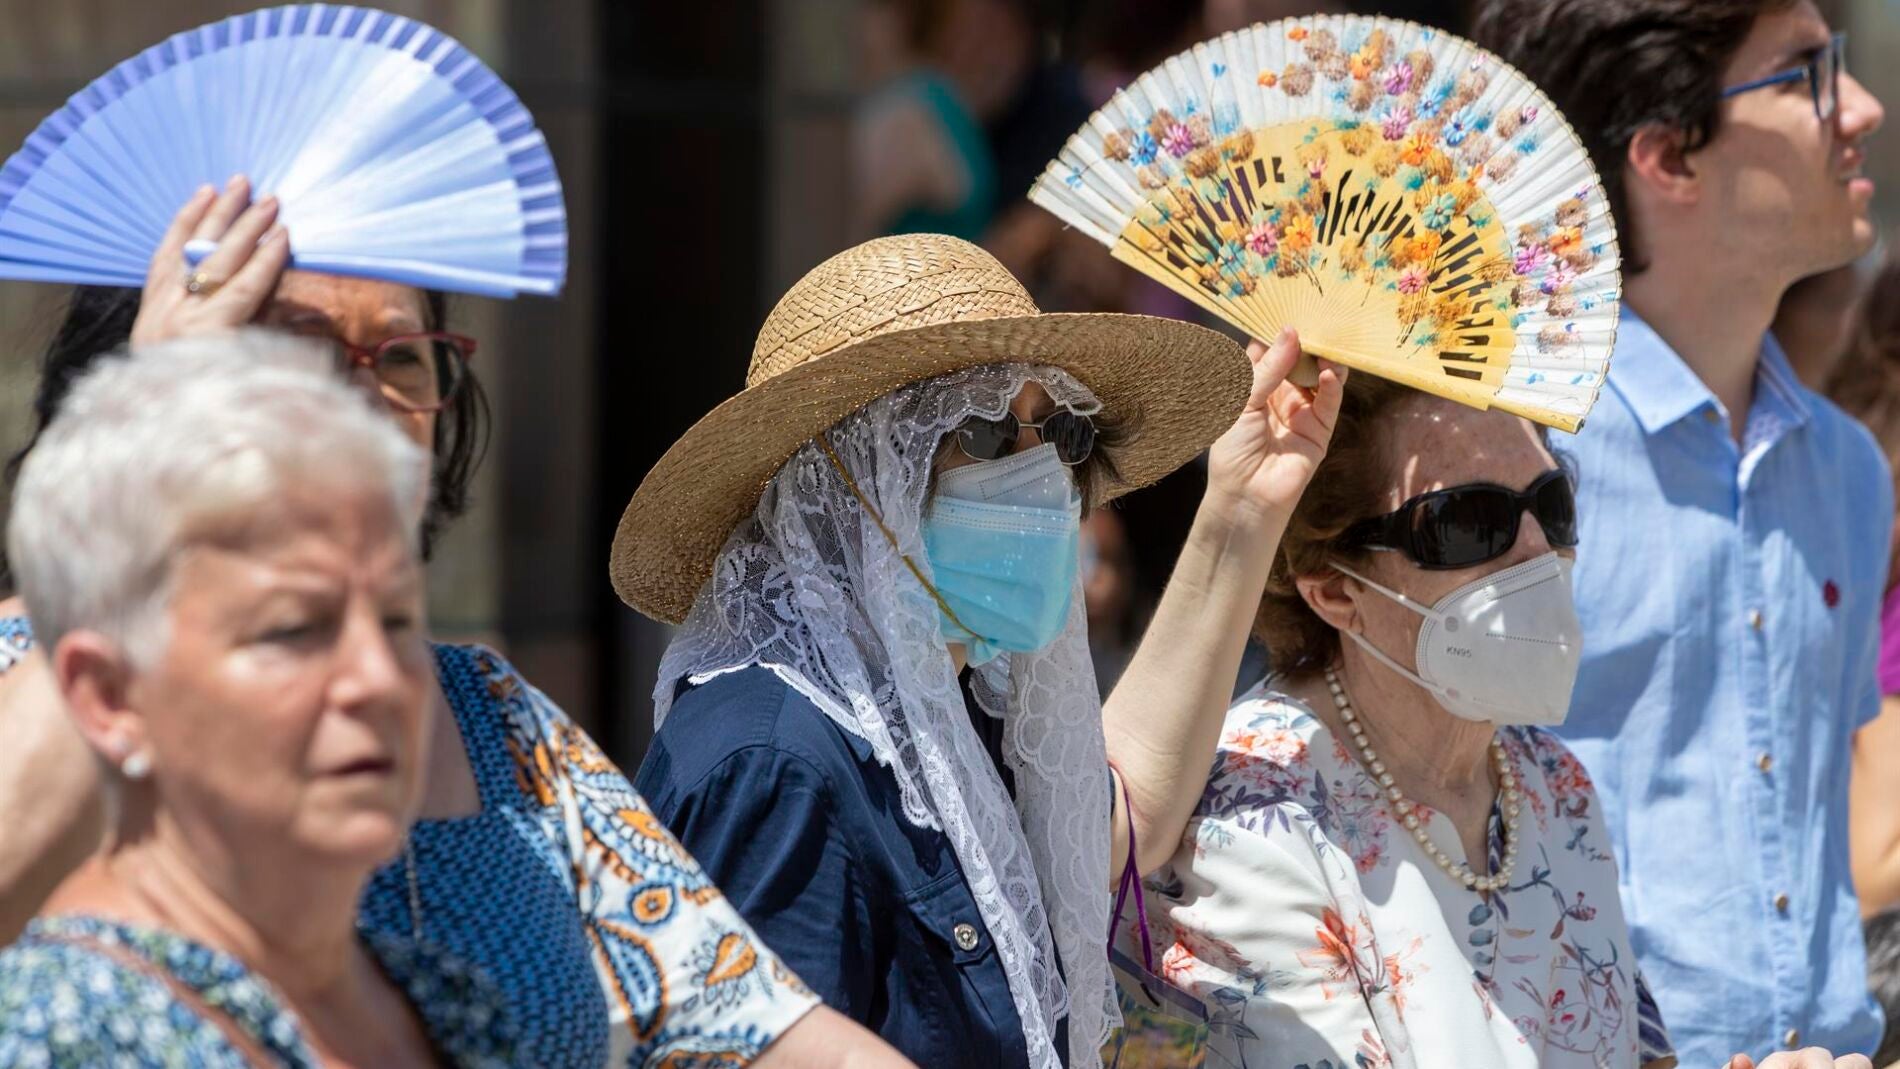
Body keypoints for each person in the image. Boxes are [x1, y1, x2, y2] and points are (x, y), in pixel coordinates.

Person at [0, 180, 905, 1068]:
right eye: (297, 346)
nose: (360, 401)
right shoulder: (33, 682)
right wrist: (138, 455)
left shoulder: (492, 722)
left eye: (402, 357)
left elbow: (743, 1019)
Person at [624, 232, 1345, 1068]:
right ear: (858, 478)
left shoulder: (942, 702)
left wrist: (1244, 508)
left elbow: (1108, 827)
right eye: (985, 431)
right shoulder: (773, 763)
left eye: (1060, 433)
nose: (1042, 474)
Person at [1148, 376, 1875, 1069]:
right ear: (1337, 590)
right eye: (1470, 522)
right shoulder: (1257, 812)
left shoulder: (1550, 781)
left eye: (1552, 505)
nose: (1536, 549)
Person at [1473, 1, 1889, 1062]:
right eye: (1804, 74)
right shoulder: (1513, 457)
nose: (1861, 108)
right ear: (1666, 156)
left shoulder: (1847, 468)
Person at [0, 332, 505, 1063]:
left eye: (398, 620)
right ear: (111, 698)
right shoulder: (62, 1034)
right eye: (294, 629)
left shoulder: (449, 1003)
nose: (377, 677)